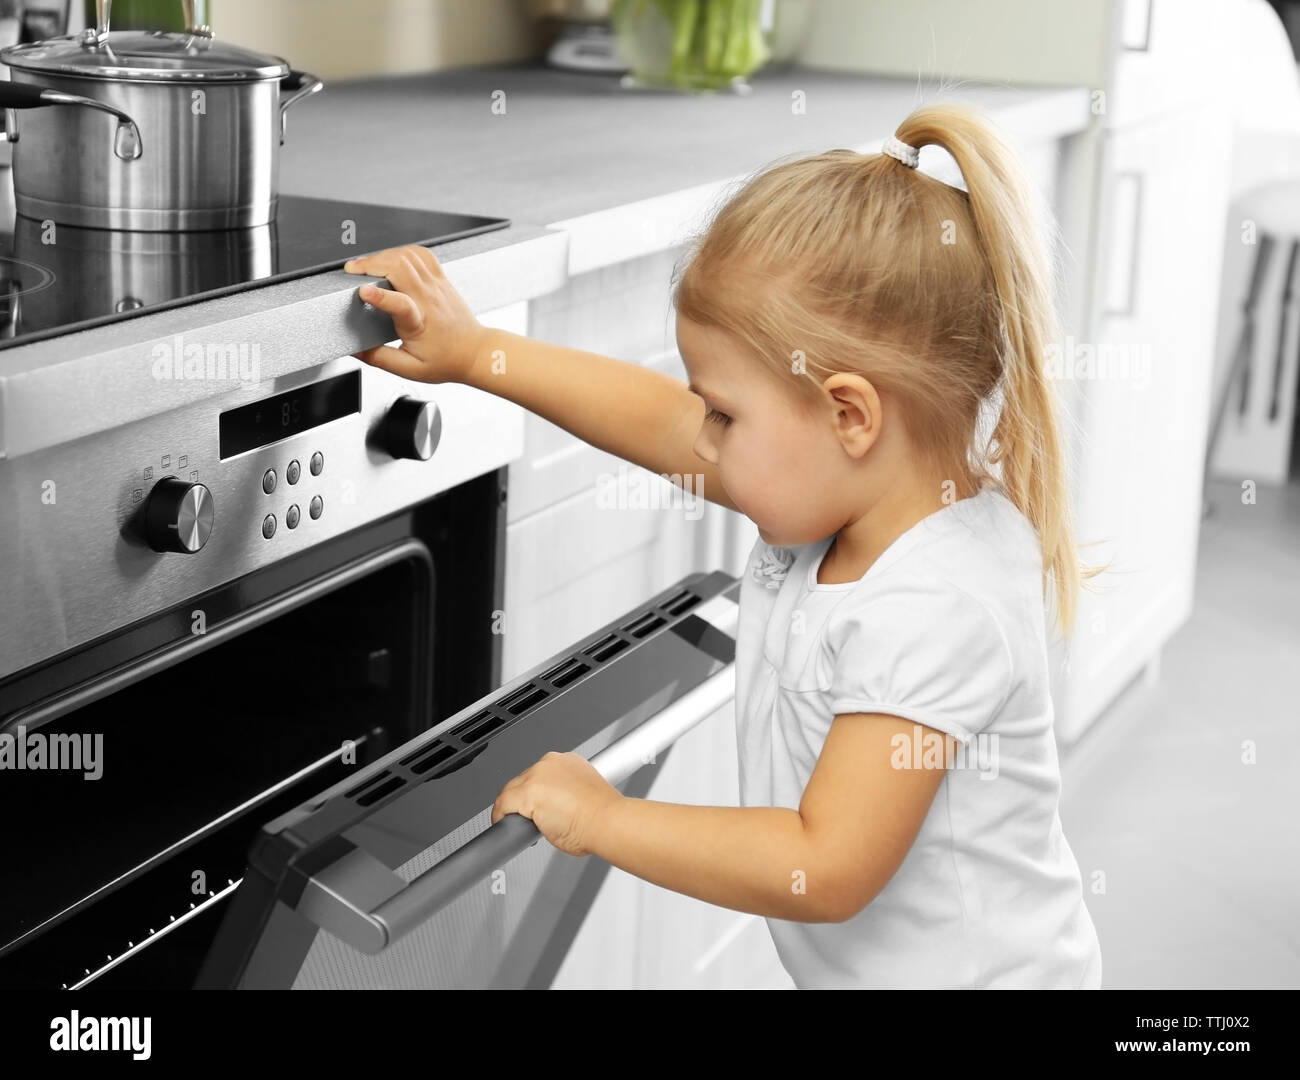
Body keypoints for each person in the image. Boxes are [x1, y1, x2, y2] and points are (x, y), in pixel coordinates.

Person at [342, 101, 1103, 990]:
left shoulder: (934, 606)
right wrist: (480, 354)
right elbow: (662, 421)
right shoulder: (849, 496)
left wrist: (601, 820)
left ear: (850, 414)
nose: (702, 440)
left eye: (725, 413)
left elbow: (825, 866)